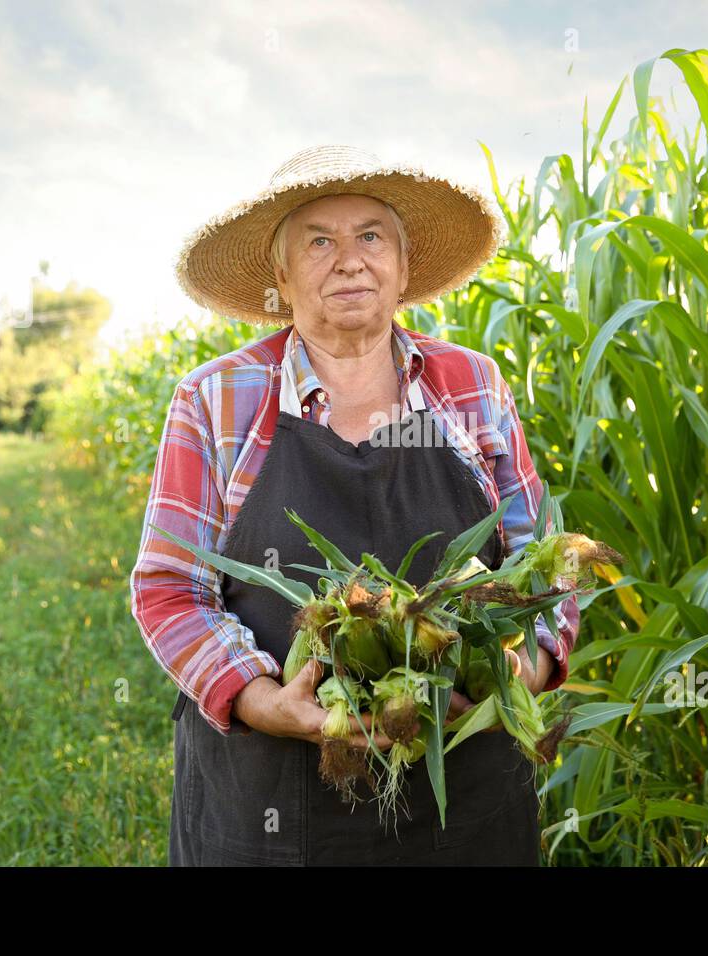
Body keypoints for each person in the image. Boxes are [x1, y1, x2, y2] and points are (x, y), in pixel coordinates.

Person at [130, 144, 580, 865]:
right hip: (275, 795)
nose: (348, 259)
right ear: (281, 274)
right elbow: (168, 588)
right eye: (318, 241)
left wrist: (520, 667)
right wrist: (258, 700)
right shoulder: (215, 398)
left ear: (403, 266)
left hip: (465, 786)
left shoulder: (472, 384)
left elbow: (540, 562)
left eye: (371, 235)